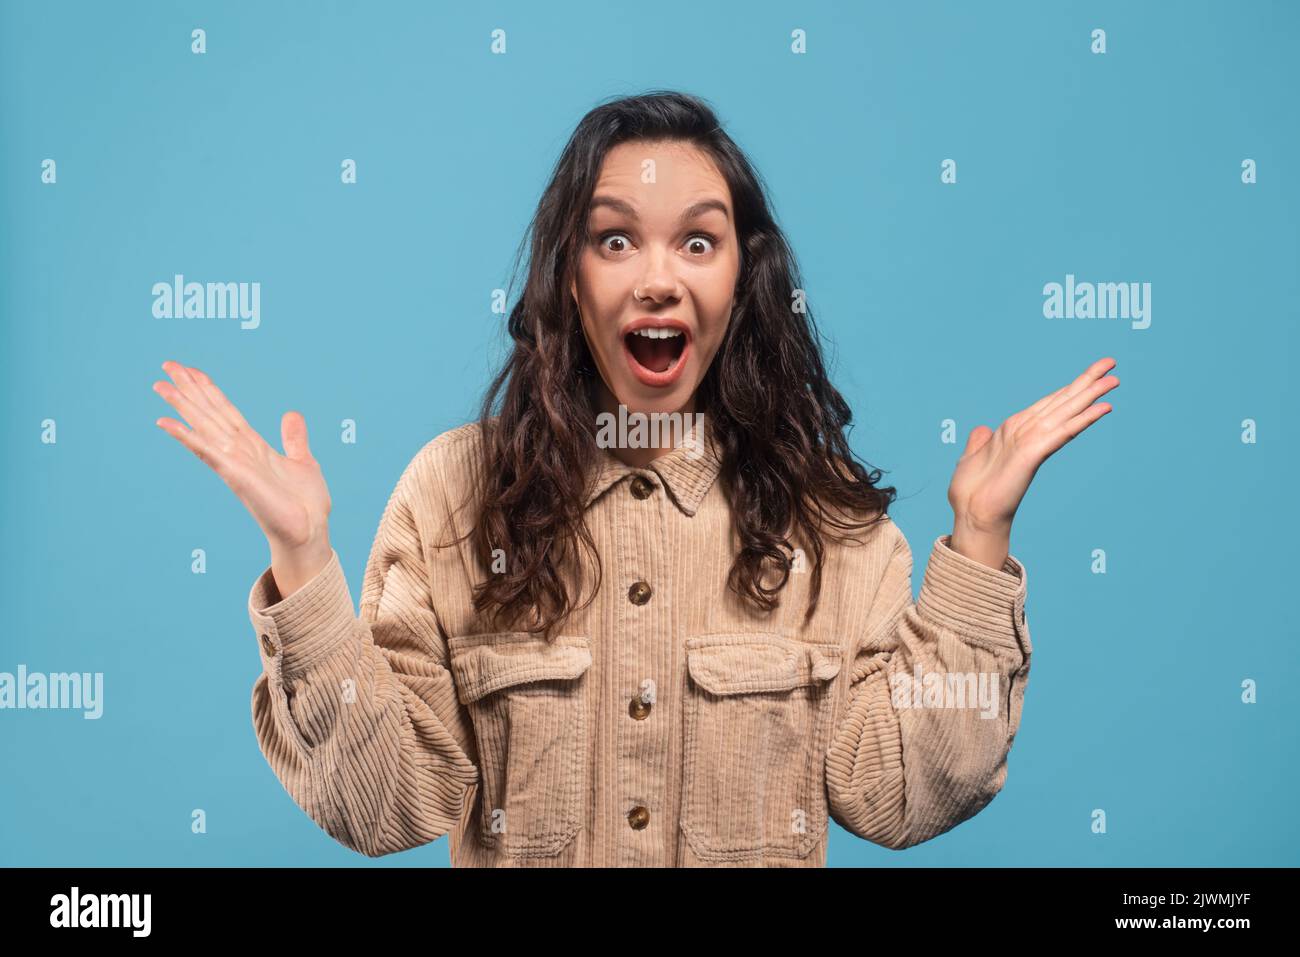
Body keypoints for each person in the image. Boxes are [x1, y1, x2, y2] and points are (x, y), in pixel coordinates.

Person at [151, 90, 1118, 866]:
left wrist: (981, 544)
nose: (659, 278)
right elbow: (387, 805)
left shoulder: (830, 523)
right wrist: (303, 561)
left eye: (698, 241)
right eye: (616, 239)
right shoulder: (454, 494)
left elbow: (904, 791)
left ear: (743, 279)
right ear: (570, 279)